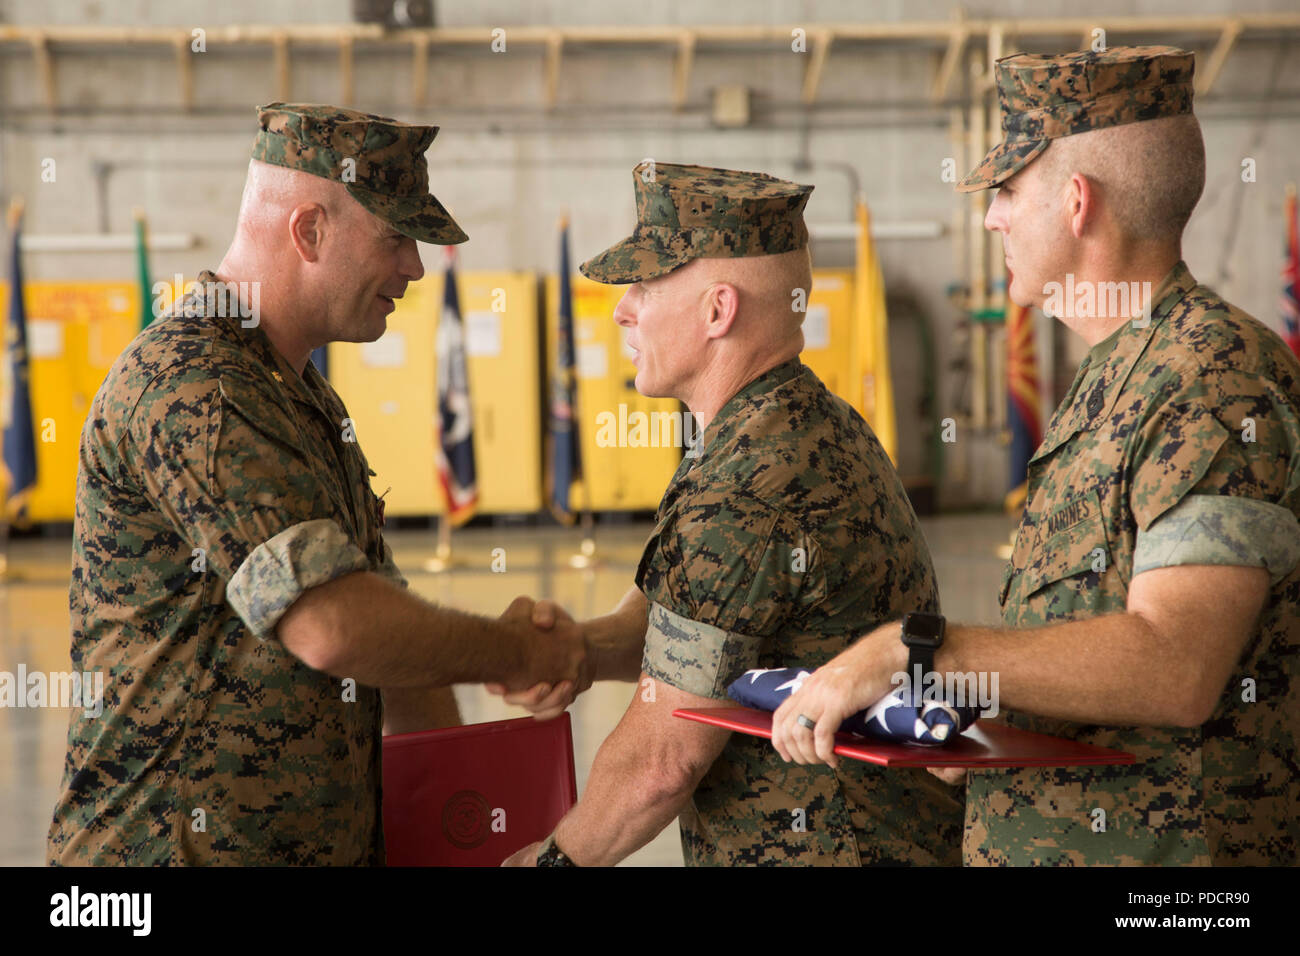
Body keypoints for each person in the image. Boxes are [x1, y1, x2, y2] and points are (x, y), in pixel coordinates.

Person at [770, 46, 1300, 866]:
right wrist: (983, 724)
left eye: (1009, 190)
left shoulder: (1211, 381)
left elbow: (1177, 665)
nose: (992, 217)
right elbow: (1089, 647)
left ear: (1078, 202)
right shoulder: (1118, 377)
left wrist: (916, 657)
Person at [48, 103, 586, 866]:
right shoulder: (198, 386)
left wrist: (451, 819)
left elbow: (384, 622)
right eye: (396, 238)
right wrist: (513, 653)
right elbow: (331, 625)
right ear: (309, 231)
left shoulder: (295, 394)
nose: (415, 268)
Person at [498, 162, 962, 866]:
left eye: (646, 287)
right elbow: (701, 635)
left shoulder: (749, 482)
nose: (622, 309)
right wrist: (582, 652)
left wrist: (544, 863)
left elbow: (661, 763)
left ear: (719, 311)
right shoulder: (797, 422)